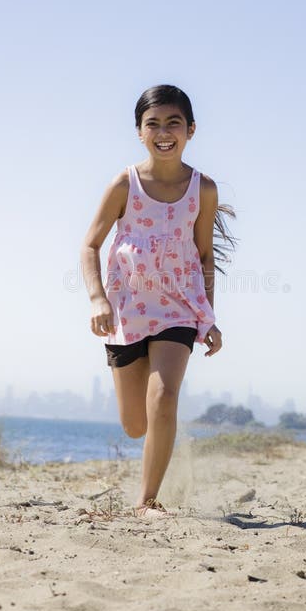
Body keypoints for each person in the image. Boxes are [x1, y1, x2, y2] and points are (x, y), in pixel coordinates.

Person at [80, 84, 235, 518]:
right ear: (139, 132)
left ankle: (147, 502)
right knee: (136, 424)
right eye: (154, 124)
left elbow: (204, 256)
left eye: (174, 123)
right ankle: (158, 439)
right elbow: (89, 246)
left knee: (164, 397)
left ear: (190, 130)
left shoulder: (202, 189)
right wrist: (97, 299)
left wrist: (208, 317)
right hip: (126, 313)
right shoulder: (124, 184)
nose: (164, 132)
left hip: (177, 310)